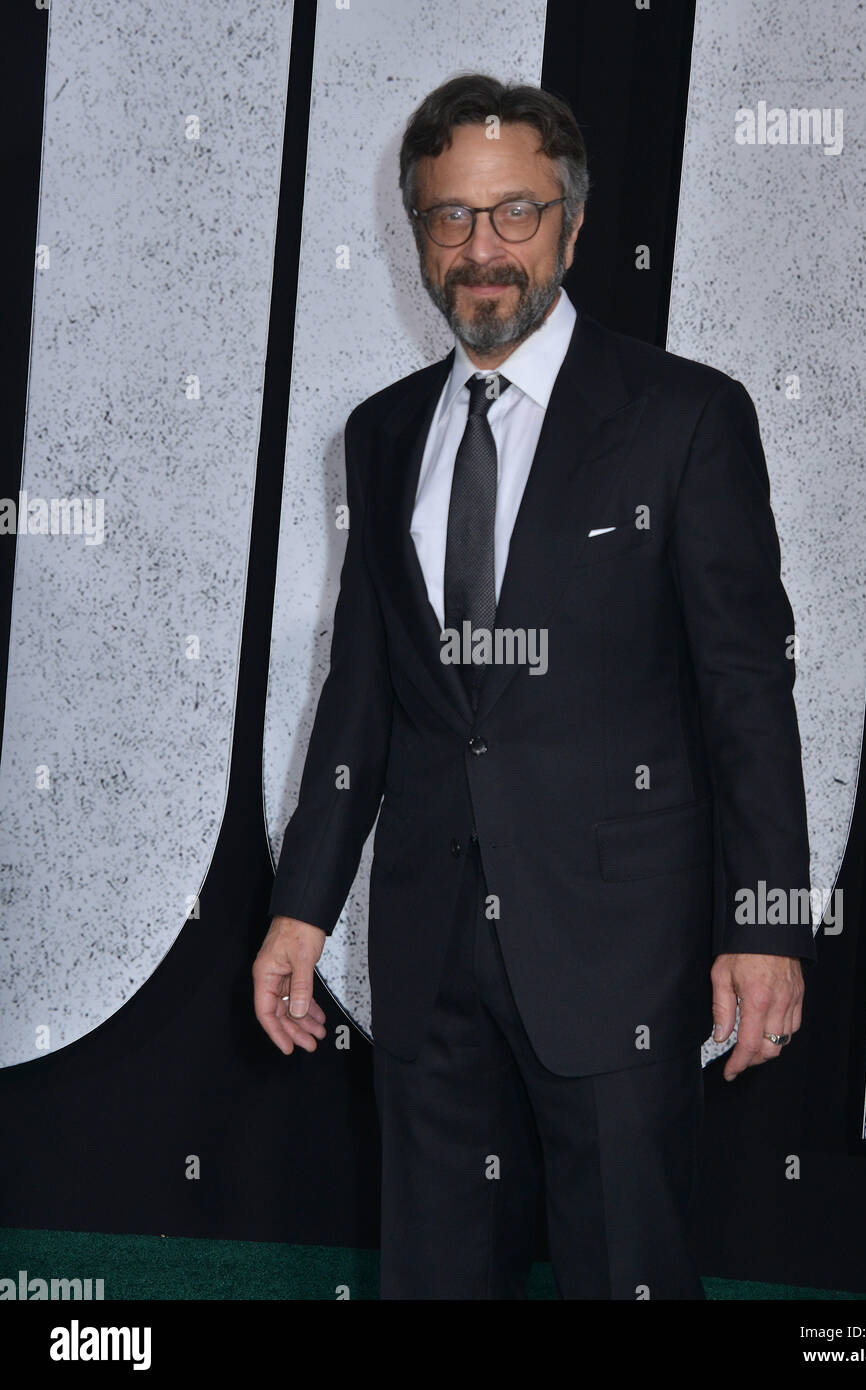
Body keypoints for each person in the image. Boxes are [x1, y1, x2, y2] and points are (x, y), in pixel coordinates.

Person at [253, 72, 815, 1300]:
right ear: (417, 236)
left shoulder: (685, 418)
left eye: (515, 213)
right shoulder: (383, 431)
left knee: (626, 1269)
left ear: (571, 223)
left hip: (619, 947)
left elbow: (746, 689)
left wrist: (765, 923)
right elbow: (363, 687)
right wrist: (303, 903)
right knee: (436, 1272)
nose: (482, 248)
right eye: (450, 218)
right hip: (426, 937)